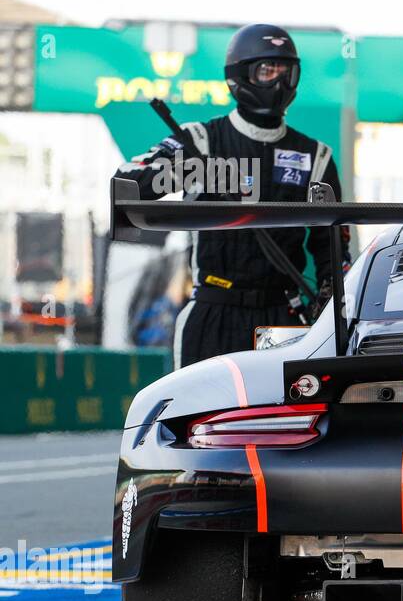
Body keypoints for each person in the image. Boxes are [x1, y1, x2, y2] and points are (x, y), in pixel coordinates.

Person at [113, 23, 348, 368]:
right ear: (240, 76)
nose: (280, 83)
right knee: (196, 417)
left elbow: (334, 251)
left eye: (288, 73)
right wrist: (186, 170)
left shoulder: (317, 157)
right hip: (212, 310)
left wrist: (329, 300)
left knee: (278, 417)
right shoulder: (200, 140)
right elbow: (126, 181)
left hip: (282, 317)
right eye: (268, 71)